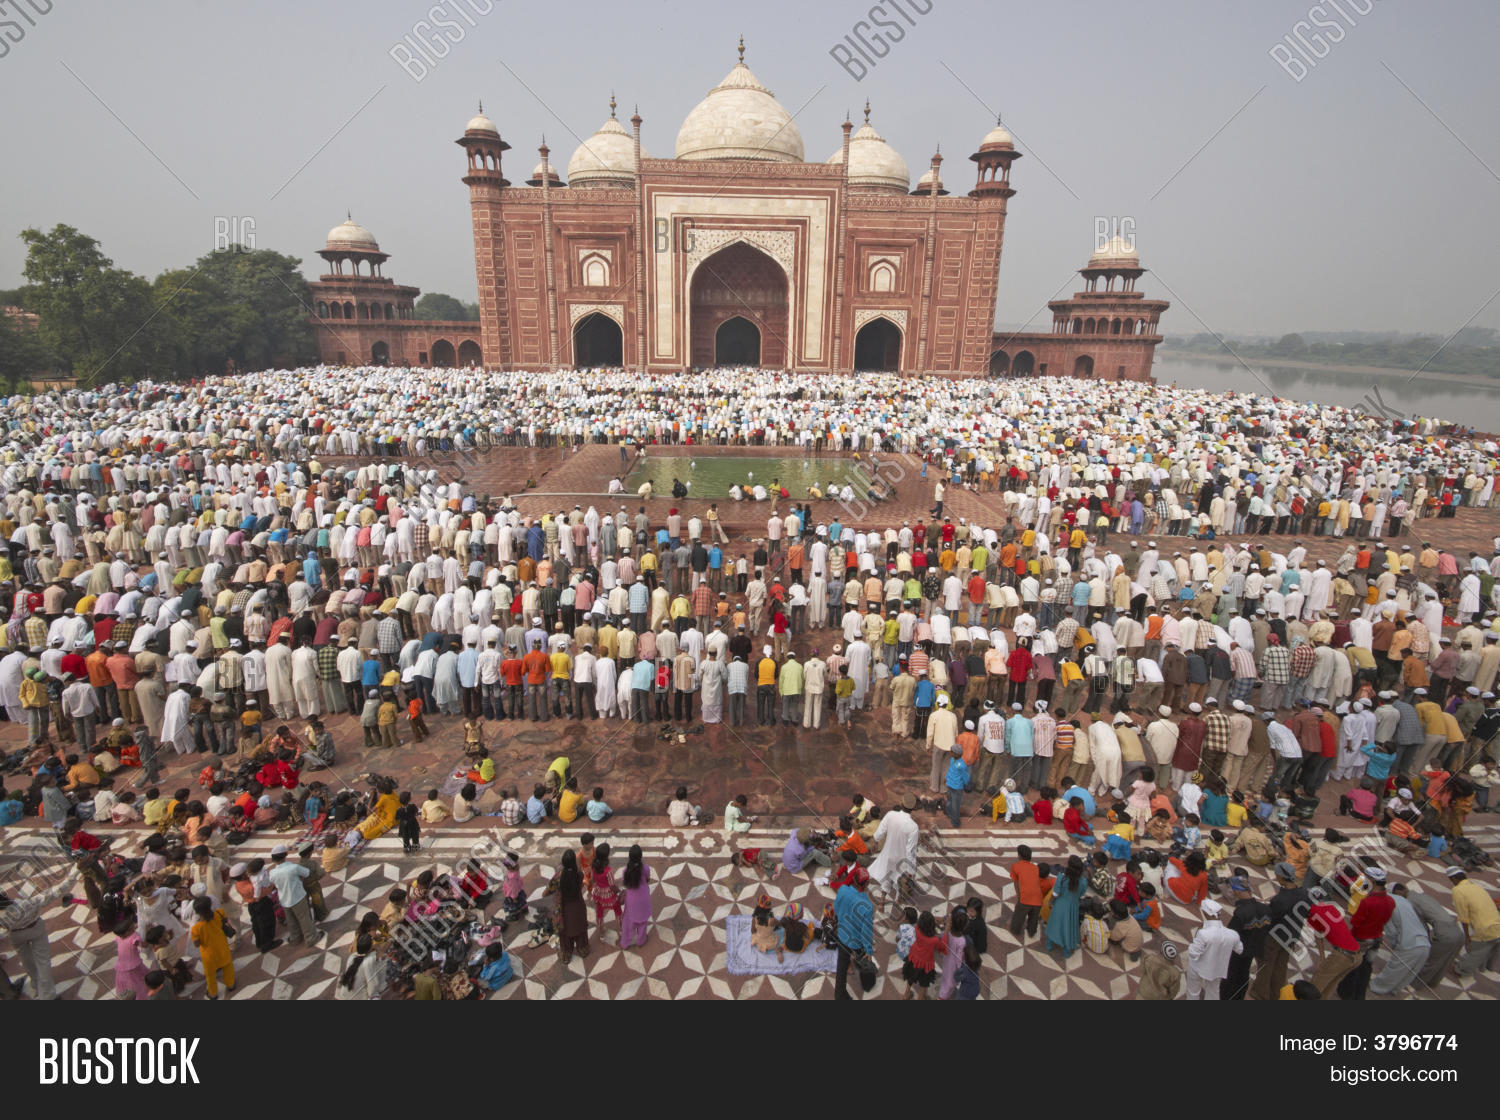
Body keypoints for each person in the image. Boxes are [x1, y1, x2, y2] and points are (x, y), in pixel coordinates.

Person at [1183, 900, 1242, 1000]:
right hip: (1218, 970)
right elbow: (1239, 949)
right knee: (1214, 993)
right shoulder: (1233, 934)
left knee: (1193, 992)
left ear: (1206, 913)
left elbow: (1193, 953)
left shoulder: (1203, 933)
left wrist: (1197, 935)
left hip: (1198, 968)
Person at [832, 866, 875, 1000]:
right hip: (856, 941)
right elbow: (866, 931)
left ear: (854, 879)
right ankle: (866, 978)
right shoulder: (867, 906)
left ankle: (839, 994)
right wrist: (869, 950)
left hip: (842, 934)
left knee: (841, 966)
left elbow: (836, 908)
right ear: (866, 883)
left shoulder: (843, 889)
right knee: (864, 958)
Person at [189, 896, 235, 1000]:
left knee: (210, 975)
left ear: (197, 912)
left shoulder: (196, 928)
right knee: (227, 966)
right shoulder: (219, 913)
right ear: (210, 905)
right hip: (222, 947)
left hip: (208, 955)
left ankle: (213, 993)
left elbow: (197, 944)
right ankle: (230, 984)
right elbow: (225, 921)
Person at [1044, 855, 1087, 957]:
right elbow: (1081, 897)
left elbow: (1055, 894)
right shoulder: (1083, 882)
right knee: (1070, 927)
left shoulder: (1061, 878)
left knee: (1054, 925)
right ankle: (1067, 950)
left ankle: (1049, 945)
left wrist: (1050, 903)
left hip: (1059, 905)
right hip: (1073, 907)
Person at [556, 849, 590, 965]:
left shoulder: (559, 877)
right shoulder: (579, 875)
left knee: (565, 929)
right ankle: (583, 949)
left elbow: (547, 891)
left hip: (564, 908)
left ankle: (566, 953)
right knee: (580, 926)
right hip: (578, 905)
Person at [621, 844, 653, 949]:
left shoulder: (625, 871)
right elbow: (648, 879)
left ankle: (625, 942)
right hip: (644, 899)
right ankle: (641, 941)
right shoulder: (645, 868)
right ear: (641, 857)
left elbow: (625, 883)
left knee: (628, 922)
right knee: (642, 922)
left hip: (631, 900)